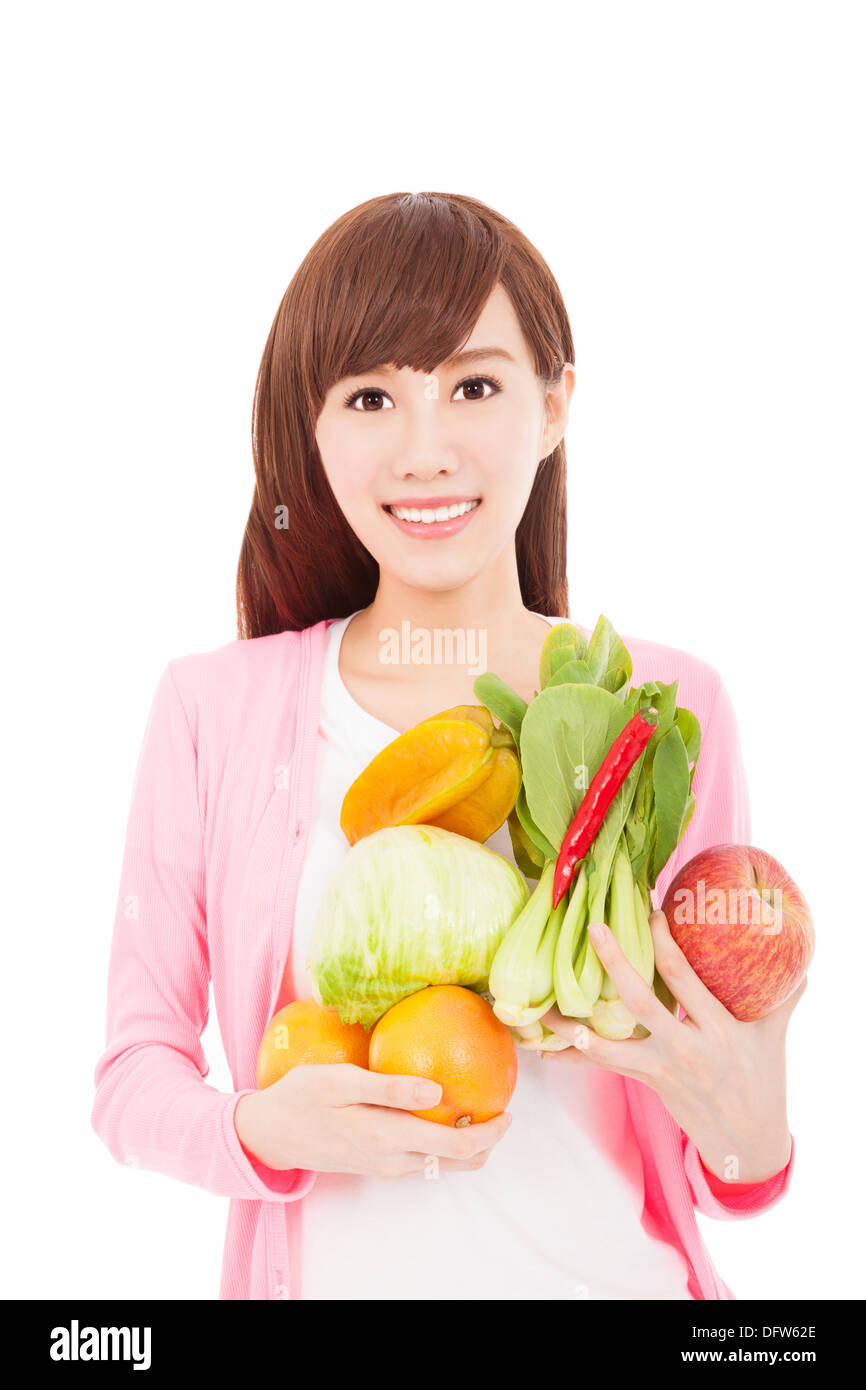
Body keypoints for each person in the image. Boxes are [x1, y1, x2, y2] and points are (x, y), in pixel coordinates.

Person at [92, 191, 803, 1300]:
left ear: (555, 404)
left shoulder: (668, 703)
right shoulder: (210, 710)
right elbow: (132, 1077)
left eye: (472, 385)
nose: (424, 452)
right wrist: (264, 1128)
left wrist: (751, 1121)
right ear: (311, 430)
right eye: (369, 395)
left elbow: (725, 1161)